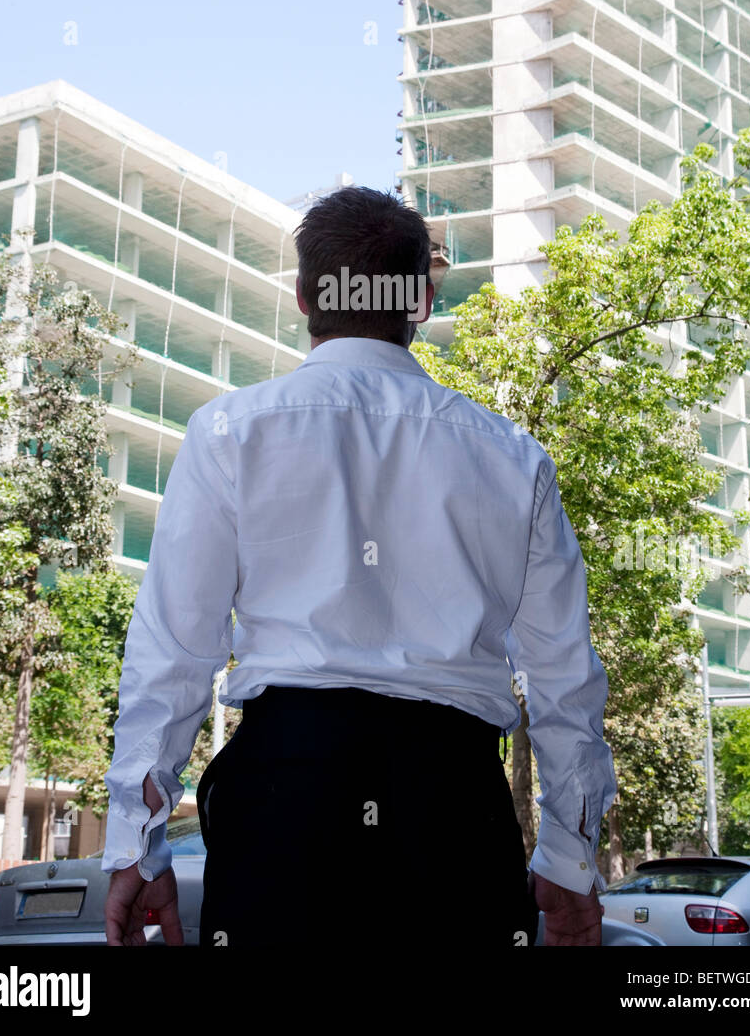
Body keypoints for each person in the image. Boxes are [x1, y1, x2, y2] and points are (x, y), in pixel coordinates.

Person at [102, 185, 618, 952]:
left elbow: (174, 654)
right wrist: (570, 862)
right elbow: (563, 677)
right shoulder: (513, 458)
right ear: (422, 302)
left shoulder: (229, 434)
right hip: (454, 811)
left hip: (286, 806)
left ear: (306, 296)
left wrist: (137, 844)